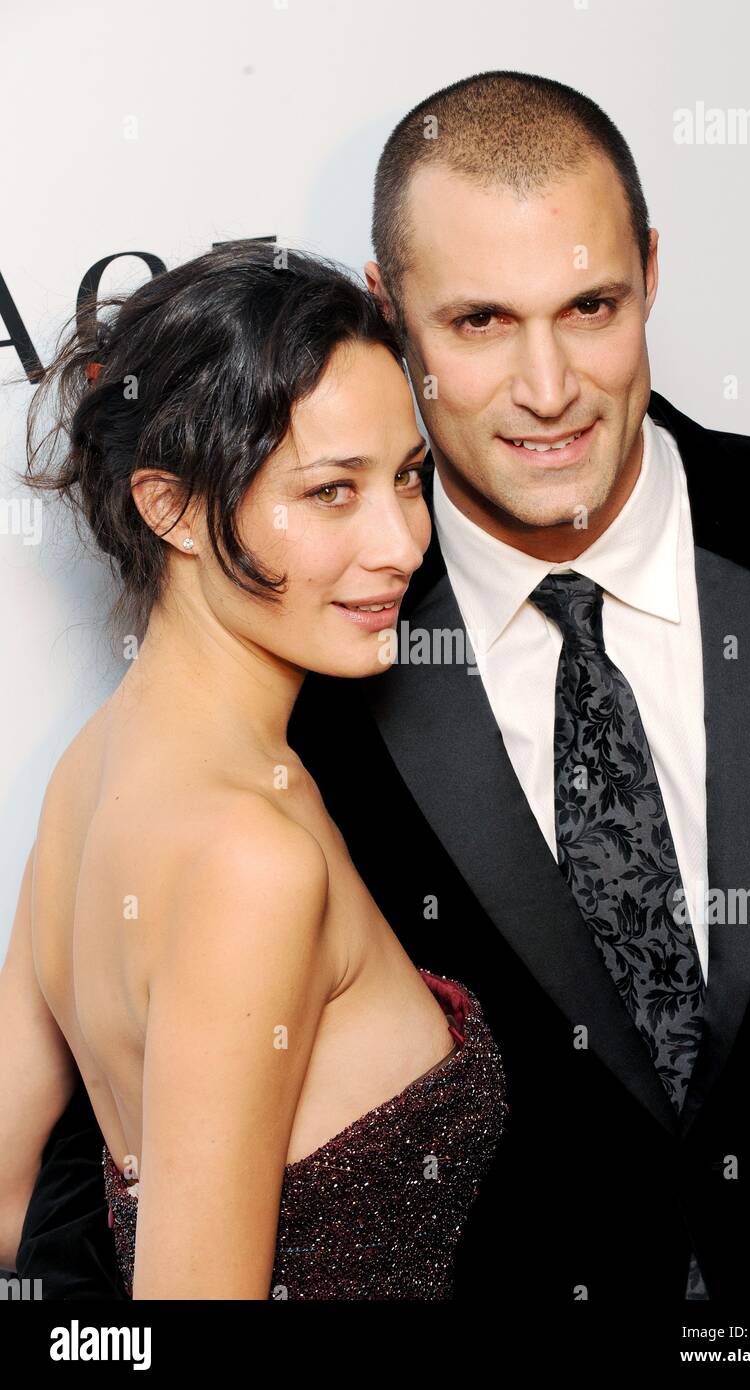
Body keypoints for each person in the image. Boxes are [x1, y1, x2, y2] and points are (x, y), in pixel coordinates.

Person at [14, 67, 750, 1304]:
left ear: (652, 272)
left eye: (590, 306)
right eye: (477, 322)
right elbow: (97, 1190)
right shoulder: (306, 655)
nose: (548, 388)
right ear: (389, 310)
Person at [0, 239, 507, 1299]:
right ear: (170, 507)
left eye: (407, 479)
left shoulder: (90, 769)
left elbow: (6, 1202)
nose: (400, 543)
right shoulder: (249, 858)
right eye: (330, 493)